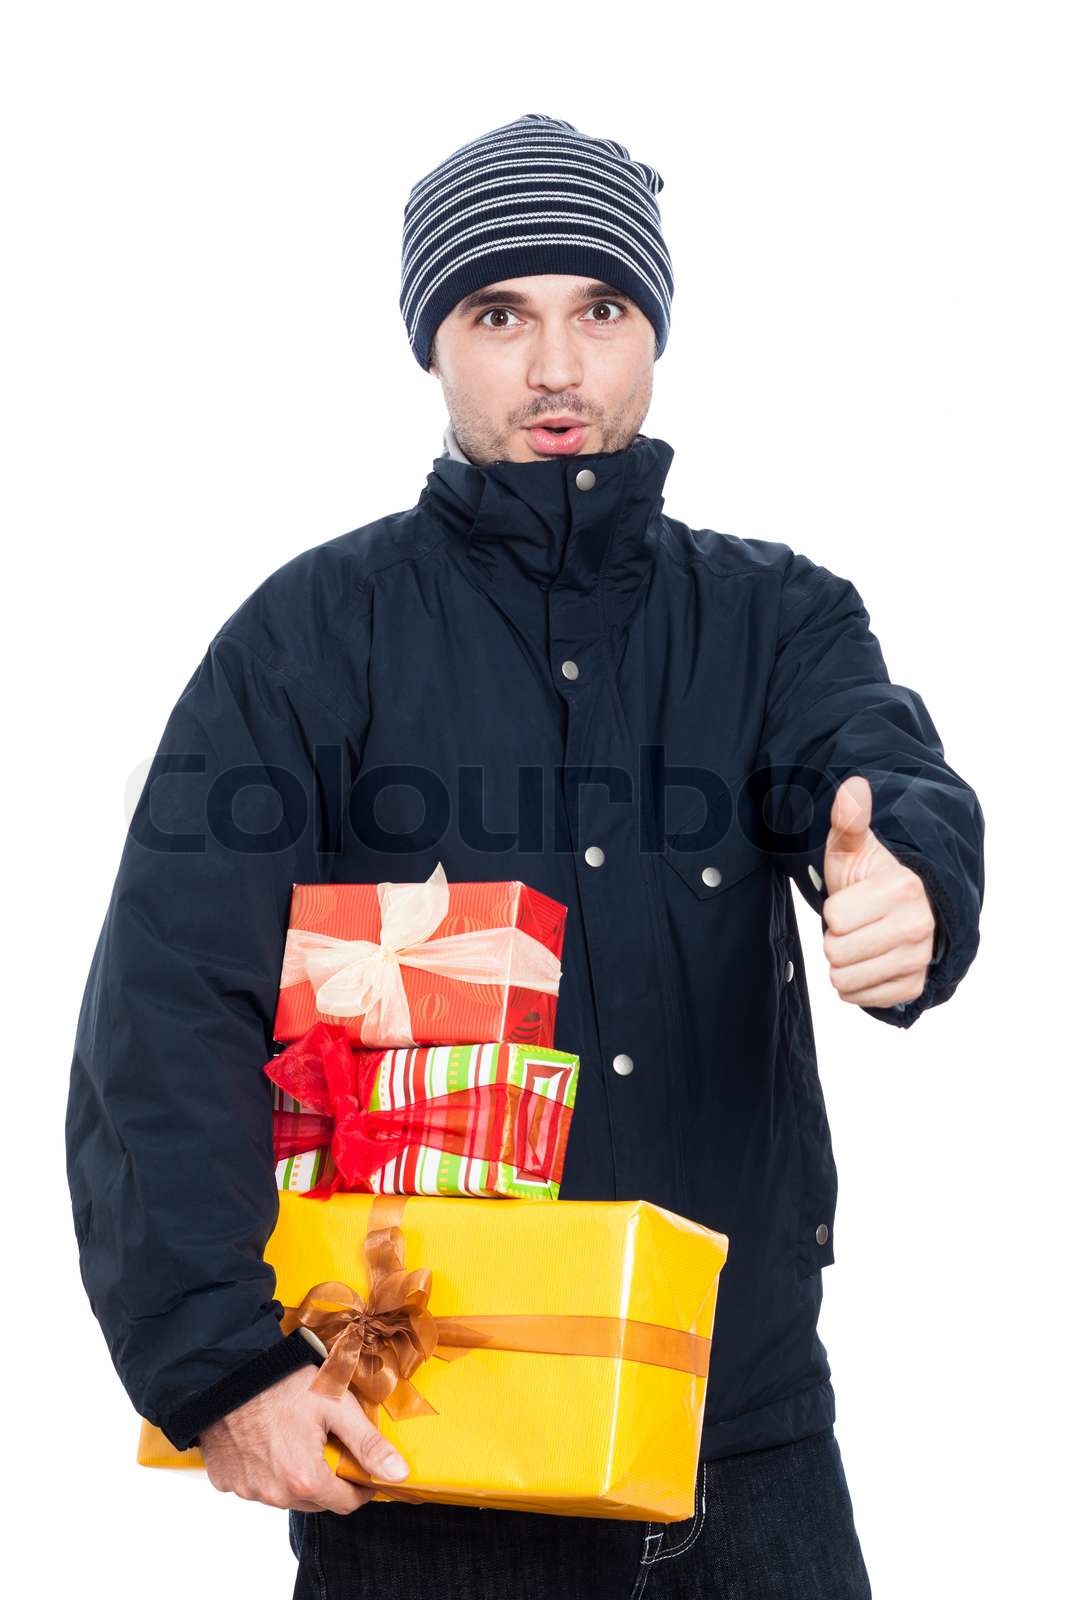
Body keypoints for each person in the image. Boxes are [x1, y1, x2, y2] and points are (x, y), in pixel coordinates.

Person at [66, 112, 984, 1598]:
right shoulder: (309, 640)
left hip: (743, 1449)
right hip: (425, 1451)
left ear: (654, 334)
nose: (558, 369)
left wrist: (915, 881)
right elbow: (168, 1002)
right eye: (502, 315)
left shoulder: (777, 620)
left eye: (601, 311)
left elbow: (874, 759)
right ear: (435, 343)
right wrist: (217, 1363)